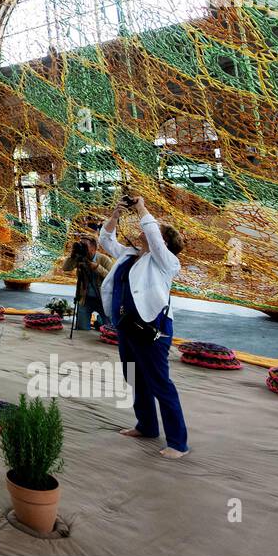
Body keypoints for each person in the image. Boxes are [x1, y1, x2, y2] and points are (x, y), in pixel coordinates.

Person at [98, 194, 190, 459]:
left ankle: (178, 442)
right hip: (127, 326)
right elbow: (105, 240)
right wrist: (115, 215)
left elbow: (152, 233)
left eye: (152, 230)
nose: (143, 230)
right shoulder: (130, 254)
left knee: (160, 383)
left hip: (153, 329)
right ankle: (147, 426)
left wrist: (141, 208)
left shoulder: (166, 261)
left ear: (161, 241)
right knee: (135, 378)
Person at [62, 236, 112, 330]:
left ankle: (99, 321)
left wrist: (97, 268)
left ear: (93, 249)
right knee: (82, 330)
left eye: (84, 246)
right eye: (80, 244)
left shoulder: (105, 260)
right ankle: (97, 322)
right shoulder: (79, 258)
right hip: (85, 299)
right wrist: (73, 255)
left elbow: (112, 278)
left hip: (103, 300)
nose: (81, 247)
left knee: (109, 329)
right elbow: (66, 268)